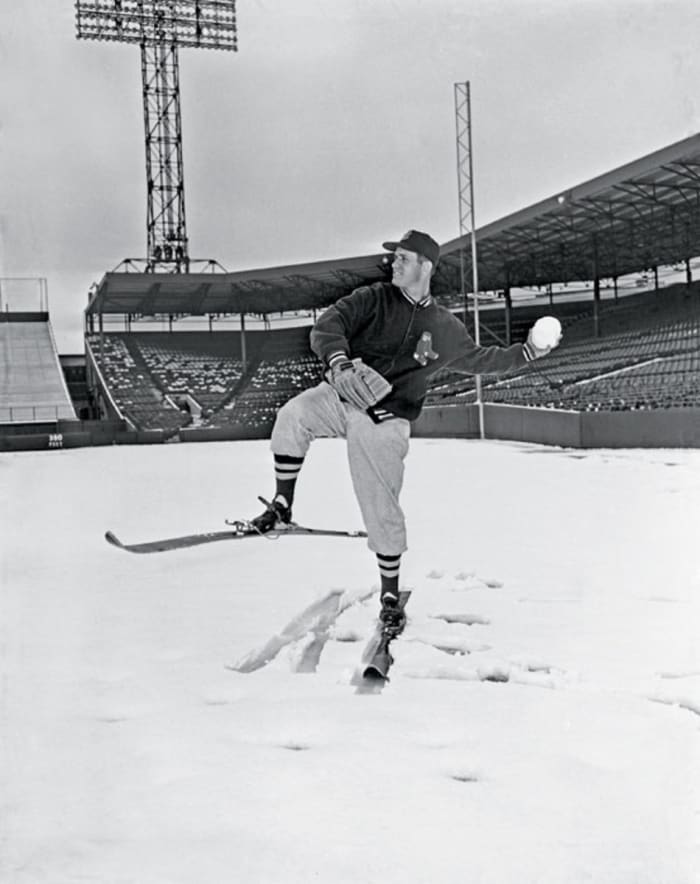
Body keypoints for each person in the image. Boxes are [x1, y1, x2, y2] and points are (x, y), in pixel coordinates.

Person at [249, 230, 560, 626]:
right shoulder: (373, 298)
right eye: (393, 257)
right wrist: (339, 362)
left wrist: (529, 352)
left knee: (379, 501)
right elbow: (329, 324)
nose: (393, 264)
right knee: (293, 416)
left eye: (403, 258)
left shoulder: (443, 326)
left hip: (385, 416)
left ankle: (390, 592)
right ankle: (281, 505)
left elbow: (483, 359)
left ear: (425, 267)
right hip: (343, 394)